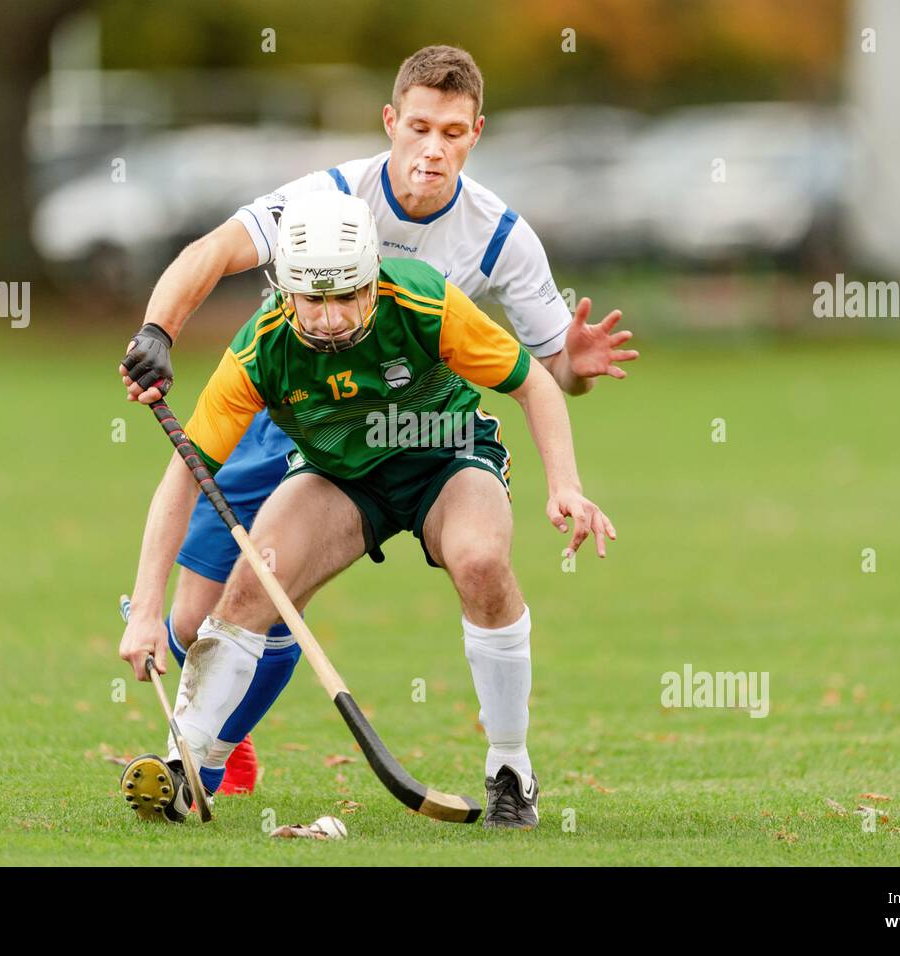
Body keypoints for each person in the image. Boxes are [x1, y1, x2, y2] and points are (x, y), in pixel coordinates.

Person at [118, 45, 636, 796]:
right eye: (420, 127)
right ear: (391, 122)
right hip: (303, 424)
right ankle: (196, 754)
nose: (433, 147)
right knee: (214, 608)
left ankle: (507, 769)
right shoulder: (321, 206)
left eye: (452, 133)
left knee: (480, 561)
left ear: (475, 134)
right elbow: (213, 251)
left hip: (430, 438)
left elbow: (541, 376)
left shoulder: (491, 244)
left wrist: (570, 371)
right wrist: (158, 331)